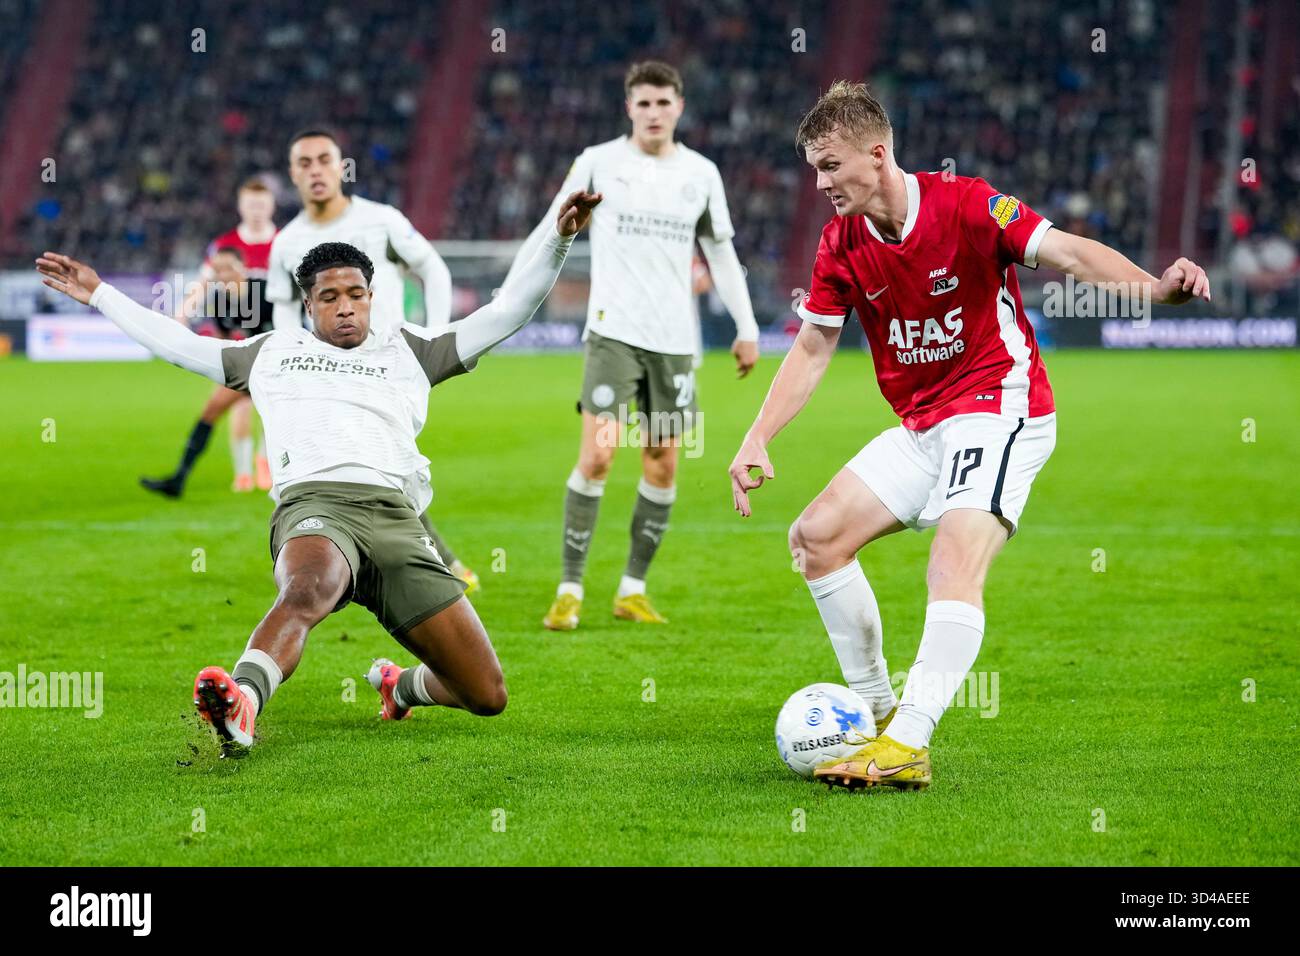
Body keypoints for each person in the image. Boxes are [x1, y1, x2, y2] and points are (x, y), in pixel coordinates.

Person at [728, 81, 1211, 790]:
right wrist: (757, 436)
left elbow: (1070, 254)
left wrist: (1159, 291)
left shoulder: (968, 204)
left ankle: (908, 745)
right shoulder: (841, 243)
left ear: (877, 152)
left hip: (1000, 404)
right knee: (816, 538)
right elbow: (812, 347)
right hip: (924, 425)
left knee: (953, 560)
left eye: (831, 165)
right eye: (814, 169)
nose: (821, 183)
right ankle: (879, 714)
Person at [35, 189, 600, 751]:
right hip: (316, 509)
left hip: (400, 521)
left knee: (487, 693)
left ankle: (398, 687)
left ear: (373, 296)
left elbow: (507, 312)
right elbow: (178, 344)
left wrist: (560, 238)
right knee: (309, 588)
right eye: (329, 297)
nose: (345, 306)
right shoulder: (272, 353)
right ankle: (243, 704)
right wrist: (102, 294)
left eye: (356, 294)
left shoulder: (412, 349)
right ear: (309, 306)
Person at [505, 61, 761, 631]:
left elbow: (720, 252)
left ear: (680, 107)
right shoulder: (599, 162)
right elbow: (553, 226)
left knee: (663, 464)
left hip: (674, 343)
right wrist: (508, 295)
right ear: (629, 108)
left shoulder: (701, 173)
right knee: (597, 454)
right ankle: (570, 587)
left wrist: (745, 325)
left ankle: (632, 589)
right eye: (643, 103)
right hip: (612, 332)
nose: (653, 113)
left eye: (663, 103)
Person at [267, 127, 480, 591]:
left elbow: (432, 267)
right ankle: (427, 563)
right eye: (304, 163)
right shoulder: (287, 241)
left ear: (341, 166)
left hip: (387, 368)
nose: (315, 170)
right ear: (293, 175)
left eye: (324, 159)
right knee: (365, 466)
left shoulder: (382, 220)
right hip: (324, 376)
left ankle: (417, 560)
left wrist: (434, 333)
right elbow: (284, 306)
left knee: (385, 465)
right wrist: (291, 363)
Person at [140, 180, 277, 497]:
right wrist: (182, 313)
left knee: (277, 415)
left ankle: (269, 469)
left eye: (262, 204)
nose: (256, 210)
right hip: (246, 356)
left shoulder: (285, 243)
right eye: (250, 204)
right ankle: (191, 477)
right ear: (241, 206)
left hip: (278, 355)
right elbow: (202, 286)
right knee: (218, 408)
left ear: (271, 206)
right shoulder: (224, 246)